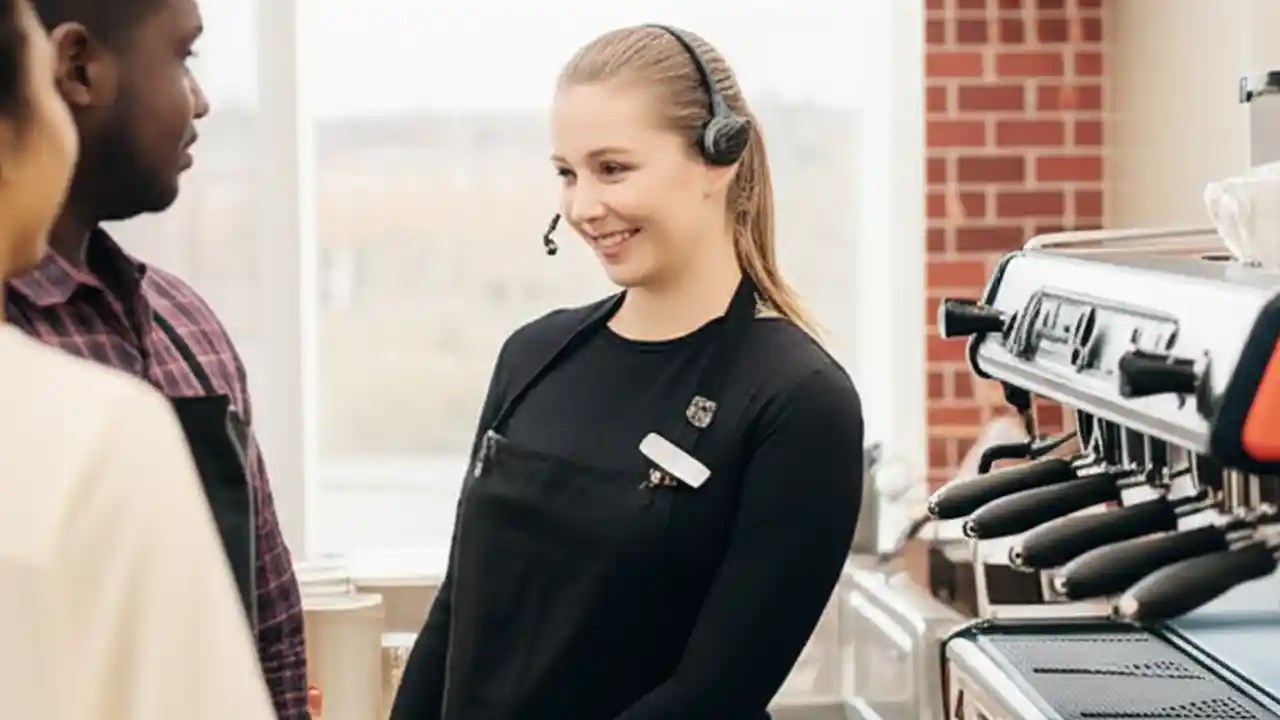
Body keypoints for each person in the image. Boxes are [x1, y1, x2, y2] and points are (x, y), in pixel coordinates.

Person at [391, 24, 865, 720]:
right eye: (566, 172)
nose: (583, 206)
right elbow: (456, 610)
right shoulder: (533, 355)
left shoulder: (798, 402)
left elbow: (714, 695)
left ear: (719, 158)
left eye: (612, 169)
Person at [4, 0, 308, 716]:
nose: (199, 99)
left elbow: (271, 636)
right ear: (74, 67)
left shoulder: (187, 326)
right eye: (184, 57)